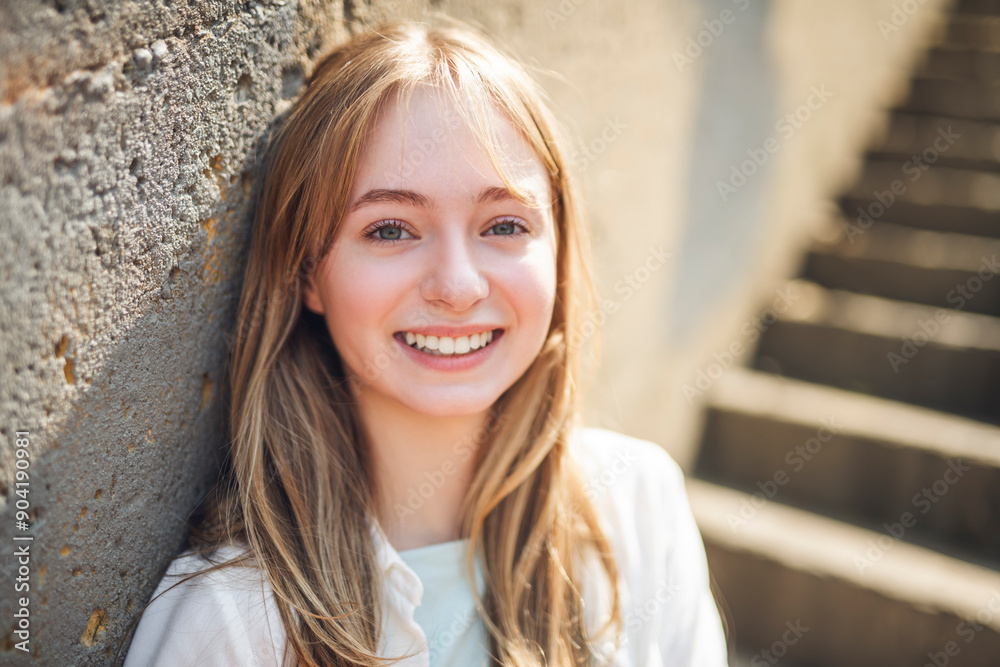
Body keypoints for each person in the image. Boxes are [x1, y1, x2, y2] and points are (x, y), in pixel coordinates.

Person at [123, 16, 729, 667]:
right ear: (307, 272)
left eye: (503, 223)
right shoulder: (230, 623)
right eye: (390, 229)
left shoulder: (641, 506)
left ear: (557, 252)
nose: (458, 285)